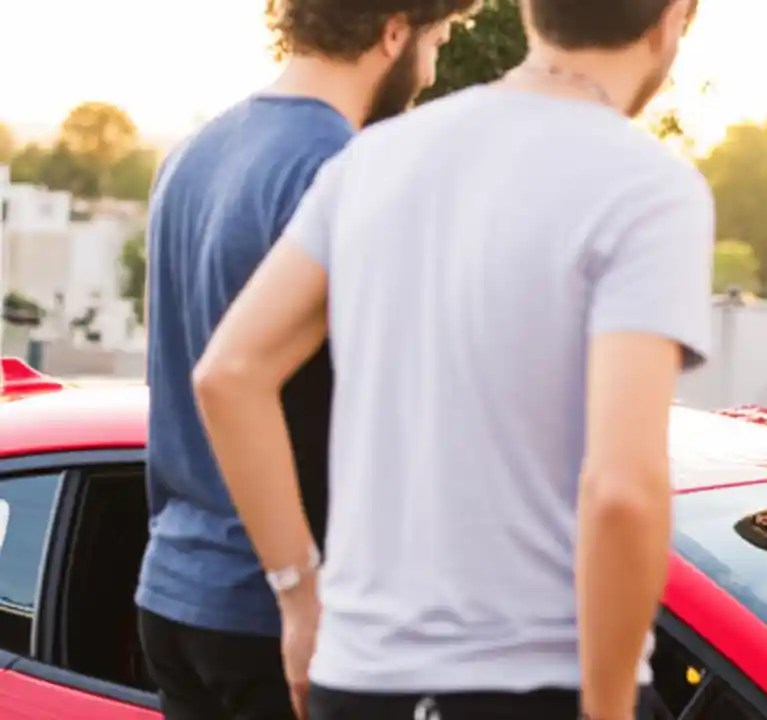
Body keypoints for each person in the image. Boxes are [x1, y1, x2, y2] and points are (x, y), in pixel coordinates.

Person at [191, 0, 710, 718]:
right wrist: (611, 706)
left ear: (531, 12)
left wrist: (299, 598)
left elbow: (229, 373)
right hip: (533, 683)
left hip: (358, 679)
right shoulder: (647, 187)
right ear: (673, 19)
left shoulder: (377, 154)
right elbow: (622, 488)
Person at [136, 2, 469, 717]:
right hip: (289, 621)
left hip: (175, 598)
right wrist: (301, 596)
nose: (433, 66)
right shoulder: (344, 170)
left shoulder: (191, 154)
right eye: (437, 40)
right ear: (393, 32)